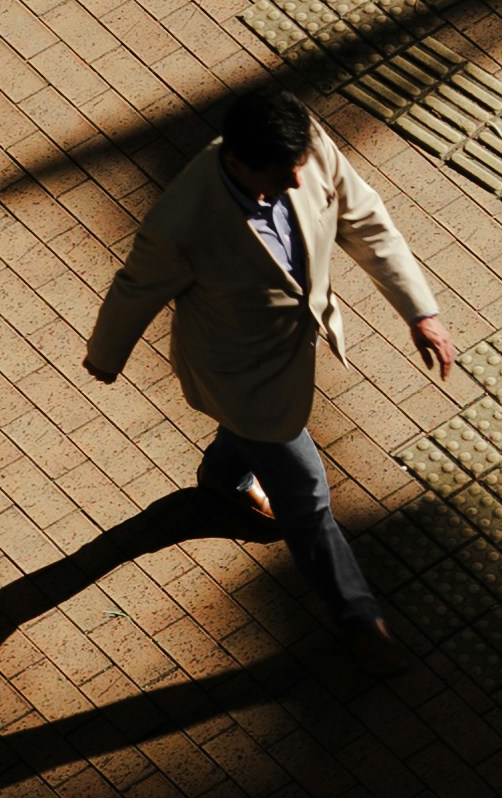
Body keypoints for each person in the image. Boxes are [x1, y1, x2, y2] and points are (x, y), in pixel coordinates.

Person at [83, 80, 456, 669]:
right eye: (282, 176)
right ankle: (360, 620)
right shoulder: (181, 222)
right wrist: (106, 356)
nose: (300, 184)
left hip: (282, 355)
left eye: (301, 166)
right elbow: (134, 289)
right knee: (306, 497)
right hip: (242, 375)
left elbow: (364, 217)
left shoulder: (300, 141)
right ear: (236, 159)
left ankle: (223, 477)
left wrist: (421, 311)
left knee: (250, 437)